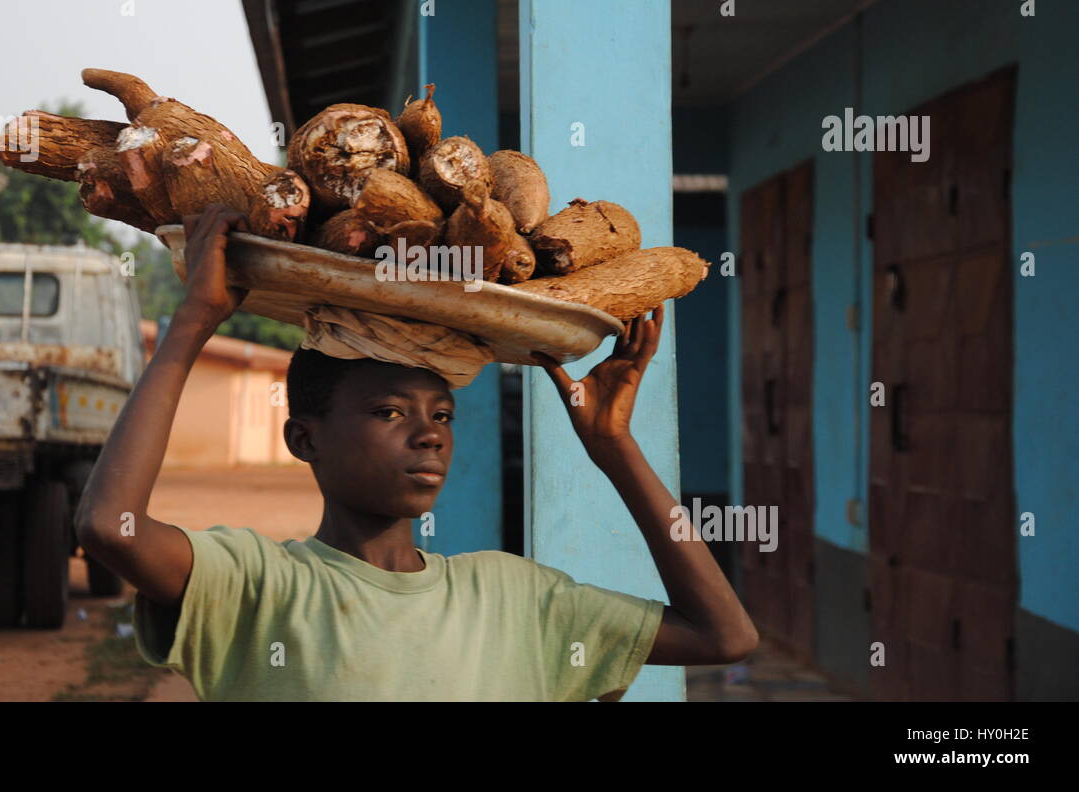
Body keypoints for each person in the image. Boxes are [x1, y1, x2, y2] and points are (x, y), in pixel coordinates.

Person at [76, 204, 757, 700]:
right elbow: (111, 526)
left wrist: (613, 447)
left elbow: (723, 637)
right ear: (304, 438)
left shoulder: (514, 598)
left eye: (442, 415)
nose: (429, 433)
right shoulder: (258, 586)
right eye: (388, 412)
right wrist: (194, 321)